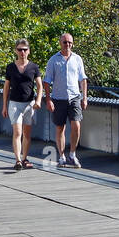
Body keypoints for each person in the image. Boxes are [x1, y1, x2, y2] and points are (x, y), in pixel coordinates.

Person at [42, 32, 88, 167]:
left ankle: (72, 154)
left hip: (74, 97)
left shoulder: (77, 59)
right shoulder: (53, 60)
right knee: (60, 128)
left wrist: (84, 97)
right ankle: (61, 156)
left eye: (70, 42)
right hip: (58, 98)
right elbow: (47, 81)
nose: (67, 45)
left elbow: (83, 79)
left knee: (76, 125)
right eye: (65, 42)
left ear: (72, 43)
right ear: (60, 43)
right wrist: (48, 99)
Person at [1, 39, 43, 169]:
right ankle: (18, 160)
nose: (22, 52)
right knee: (17, 132)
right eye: (19, 49)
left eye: (25, 49)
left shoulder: (34, 67)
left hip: (29, 104)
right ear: (16, 51)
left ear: (28, 51)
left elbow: (40, 86)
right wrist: (4, 106)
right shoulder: (11, 67)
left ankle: (25, 158)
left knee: (27, 133)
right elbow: (6, 87)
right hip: (14, 103)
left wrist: (38, 101)